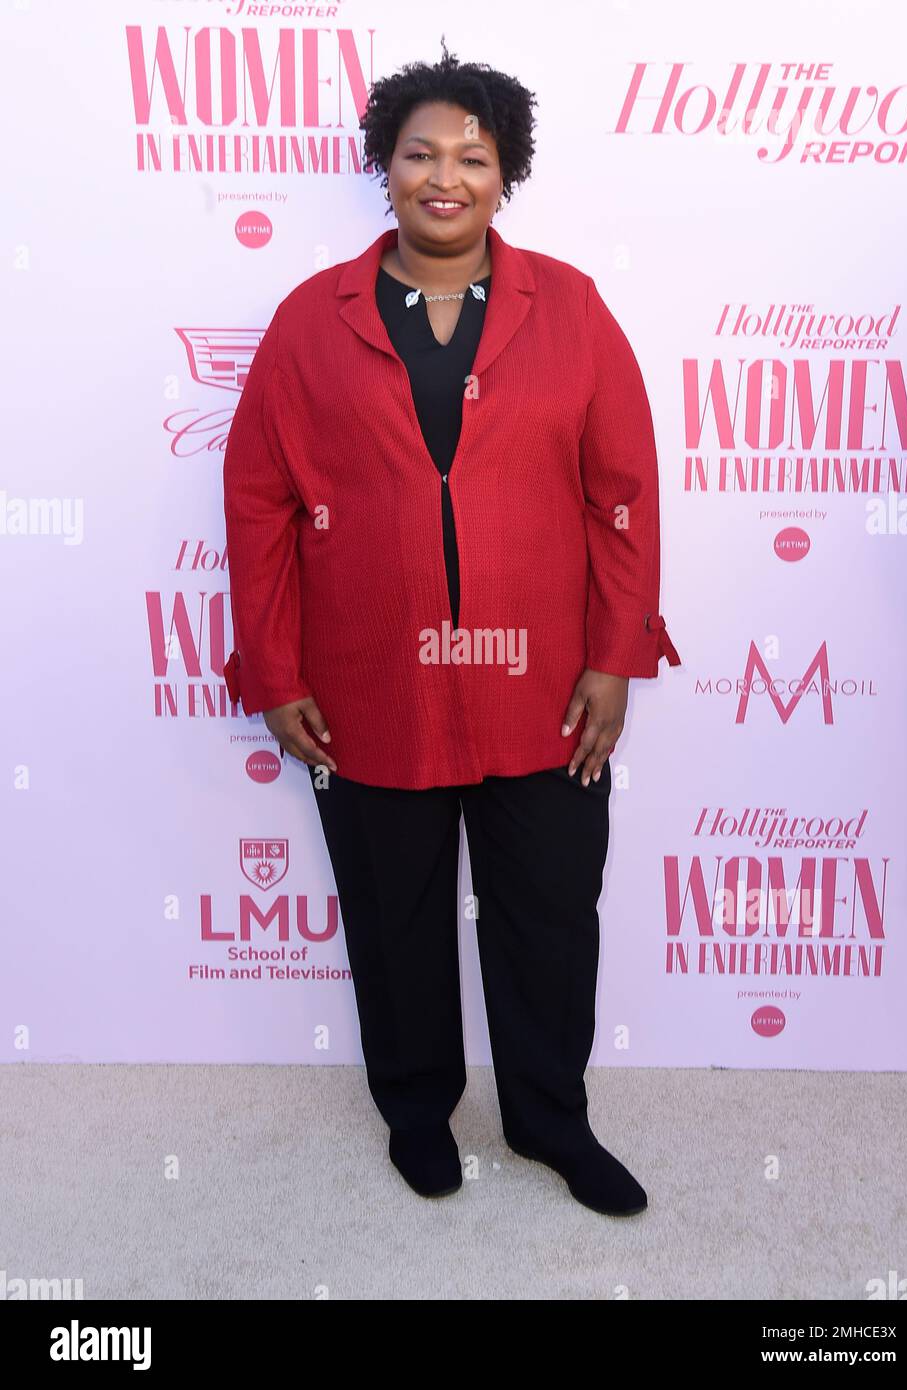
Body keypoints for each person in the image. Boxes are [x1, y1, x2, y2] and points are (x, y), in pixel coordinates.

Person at [222, 40, 681, 1218]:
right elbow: (260, 502)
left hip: (542, 688)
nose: (444, 177)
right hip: (368, 684)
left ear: (504, 173)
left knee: (545, 916)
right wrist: (274, 669)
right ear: (383, 165)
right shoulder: (308, 319)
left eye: (471, 157)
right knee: (396, 917)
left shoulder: (571, 307)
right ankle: (416, 1115)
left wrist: (614, 657)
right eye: (419, 152)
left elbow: (621, 491)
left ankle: (550, 1123)